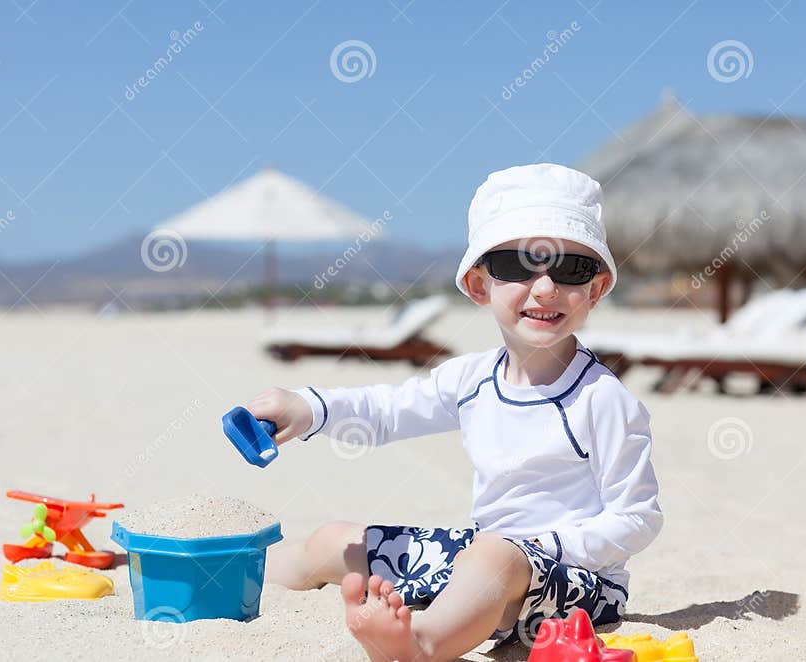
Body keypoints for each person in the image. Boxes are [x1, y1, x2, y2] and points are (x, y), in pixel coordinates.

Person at [247, 163, 663, 661]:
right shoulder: (471, 378)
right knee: (332, 540)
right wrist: (309, 408)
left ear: (595, 290)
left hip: (580, 585)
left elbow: (638, 517)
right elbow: (387, 410)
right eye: (518, 265)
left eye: (571, 269)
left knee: (491, 555)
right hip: (481, 561)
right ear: (478, 285)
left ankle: (420, 644)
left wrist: (537, 546)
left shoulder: (603, 398)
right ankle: (240, 579)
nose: (546, 288)